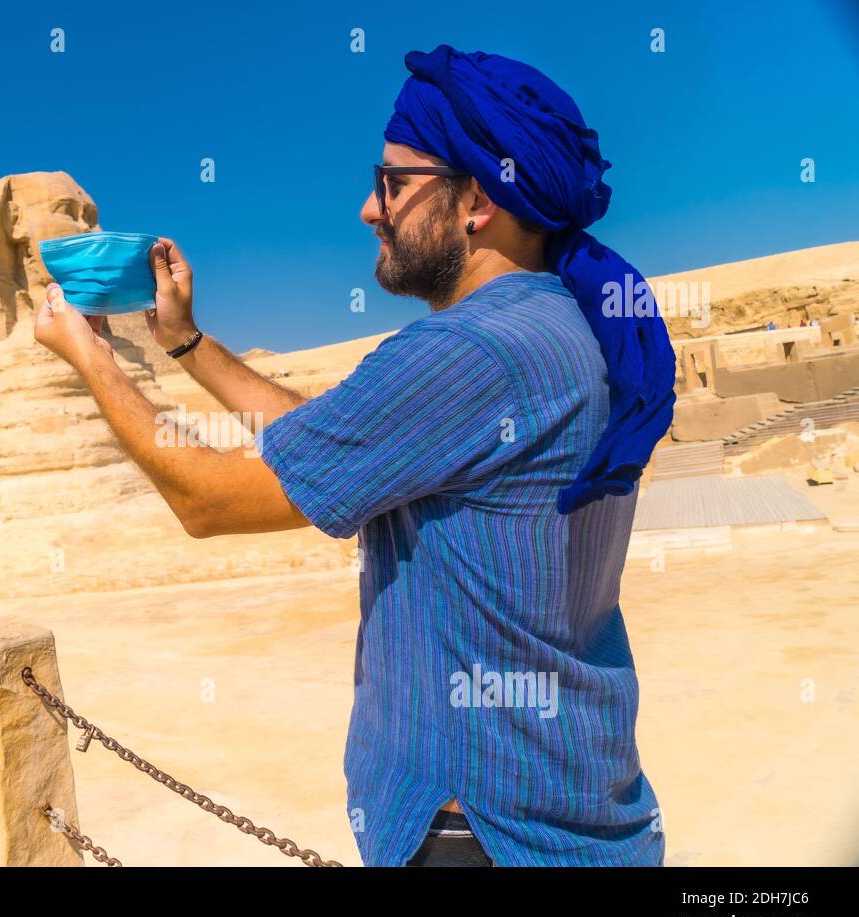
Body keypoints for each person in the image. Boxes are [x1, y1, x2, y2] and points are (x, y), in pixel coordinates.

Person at [34, 44, 675, 866]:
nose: (370, 210)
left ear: (476, 198)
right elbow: (330, 443)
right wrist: (186, 344)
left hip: (481, 834)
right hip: (575, 808)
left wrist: (90, 356)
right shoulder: (563, 326)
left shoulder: (467, 353)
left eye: (392, 184)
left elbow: (209, 503)